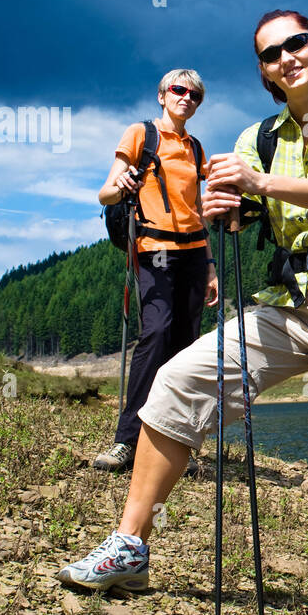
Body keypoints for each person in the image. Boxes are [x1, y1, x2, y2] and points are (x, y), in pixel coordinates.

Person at [58, 11, 308, 615]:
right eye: (270, 53)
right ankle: (130, 546)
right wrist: (226, 207)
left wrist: (257, 183)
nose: (285, 57)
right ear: (263, 70)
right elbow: (241, 215)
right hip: (286, 304)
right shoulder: (255, 136)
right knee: (176, 382)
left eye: (295, 43)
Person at [93, 70, 216, 475]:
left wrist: (211, 266)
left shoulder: (195, 147)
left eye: (195, 94)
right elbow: (105, 192)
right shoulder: (141, 134)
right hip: (154, 251)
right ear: (162, 96)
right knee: (157, 333)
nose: (187, 98)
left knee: (186, 346)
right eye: (179, 91)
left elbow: (198, 211)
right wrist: (123, 184)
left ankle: (178, 442)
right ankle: (127, 441)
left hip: (195, 254)